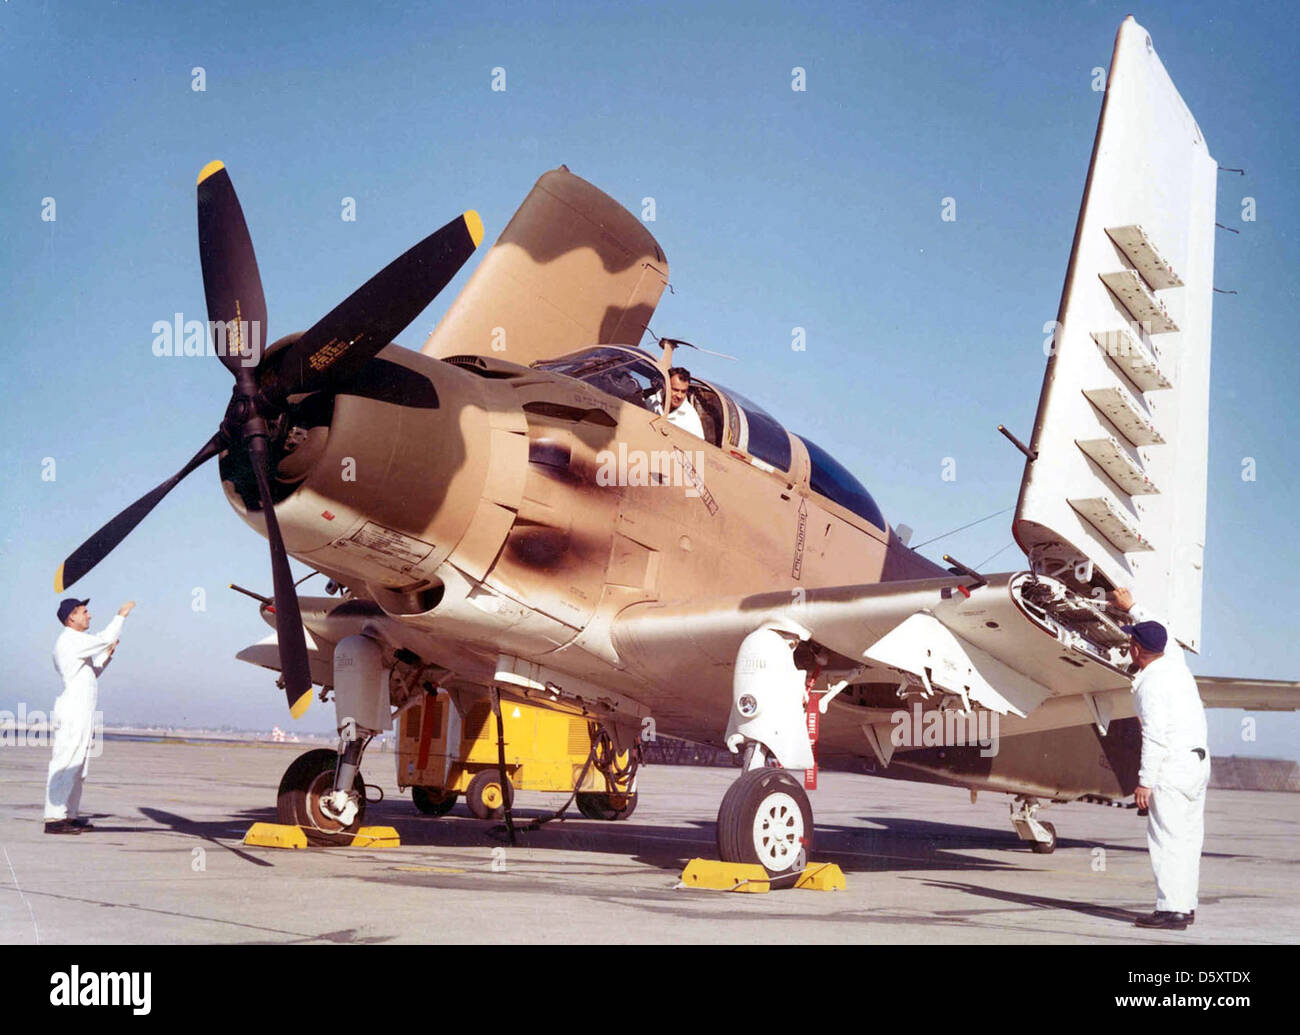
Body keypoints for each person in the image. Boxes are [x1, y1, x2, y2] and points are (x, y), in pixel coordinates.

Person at [1110, 588, 1209, 930]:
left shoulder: (1152, 684)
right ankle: (1185, 904)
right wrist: (1133, 607)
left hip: (1171, 766)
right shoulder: (1175, 665)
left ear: (1137, 650)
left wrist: (1144, 782)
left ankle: (1171, 911)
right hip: (1197, 765)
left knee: (1166, 838)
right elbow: (1163, 630)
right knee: (1187, 838)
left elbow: (1154, 735)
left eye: (1130, 644)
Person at [45, 597, 134, 834]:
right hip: (73, 710)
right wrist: (120, 615)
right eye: (85, 611)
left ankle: (69, 815)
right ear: (71, 617)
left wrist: (107, 654)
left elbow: (91, 673)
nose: (89, 615)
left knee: (78, 765)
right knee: (66, 761)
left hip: (82, 711)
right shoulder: (70, 640)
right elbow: (103, 638)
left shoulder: (75, 643)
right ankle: (54, 819)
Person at [657, 367, 705, 439]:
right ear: (665, 385)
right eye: (675, 390)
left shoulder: (691, 418)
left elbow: (699, 447)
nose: (679, 396)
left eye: (683, 391)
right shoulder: (651, 401)